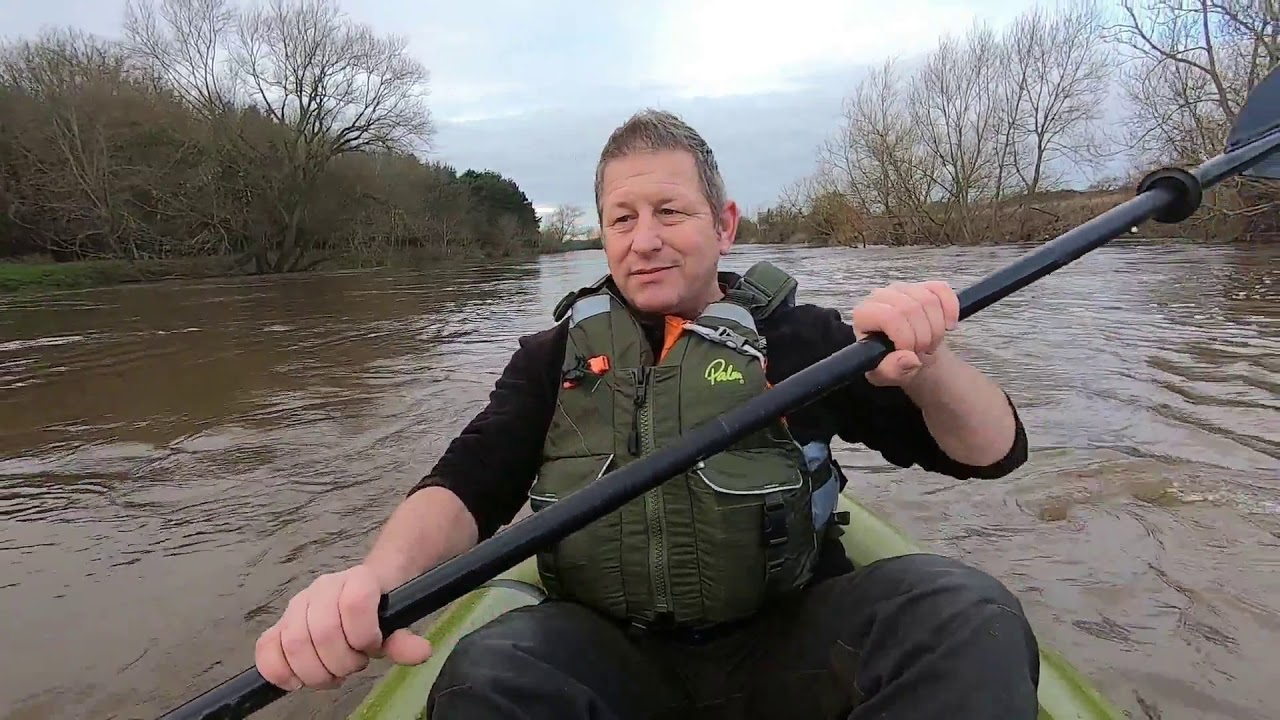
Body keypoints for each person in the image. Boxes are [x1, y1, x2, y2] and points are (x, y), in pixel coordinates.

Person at [254, 109, 1041, 720]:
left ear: (724, 224)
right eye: (623, 219)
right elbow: (464, 488)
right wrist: (375, 578)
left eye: (671, 211)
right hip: (610, 659)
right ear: (602, 236)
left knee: (968, 613)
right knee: (485, 676)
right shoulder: (550, 358)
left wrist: (928, 363)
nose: (646, 241)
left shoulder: (806, 338)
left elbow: (992, 451)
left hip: (790, 639)